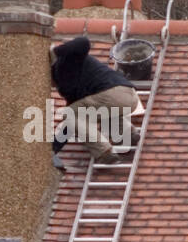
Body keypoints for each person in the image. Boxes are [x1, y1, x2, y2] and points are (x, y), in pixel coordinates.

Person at [49, 36, 141, 165]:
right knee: (88, 113)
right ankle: (127, 134)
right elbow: (70, 124)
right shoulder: (67, 86)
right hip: (127, 96)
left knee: (72, 113)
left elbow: (83, 42)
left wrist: (55, 52)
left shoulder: (66, 60)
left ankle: (104, 152)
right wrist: (54, 148)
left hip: (113, 94)